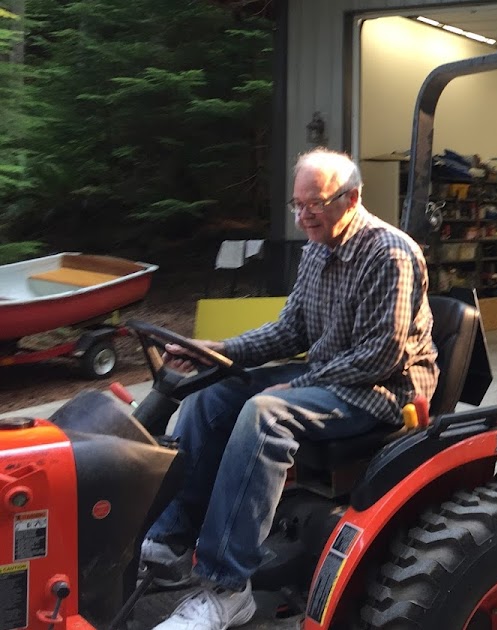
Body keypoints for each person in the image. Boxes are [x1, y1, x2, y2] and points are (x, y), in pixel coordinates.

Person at [143, 148, 439, 629]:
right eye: (297, 205)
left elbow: (379, 356)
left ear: (352, 198)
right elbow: (289, 332)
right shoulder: (316, 250)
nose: (303, 217)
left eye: (314, 204)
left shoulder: (389, 253)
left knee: (266, 412)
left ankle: (226, 586)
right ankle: (171, 538)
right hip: (330, 374)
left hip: (384, 390)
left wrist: (296, 382)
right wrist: (216, 351)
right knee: (209, 394)